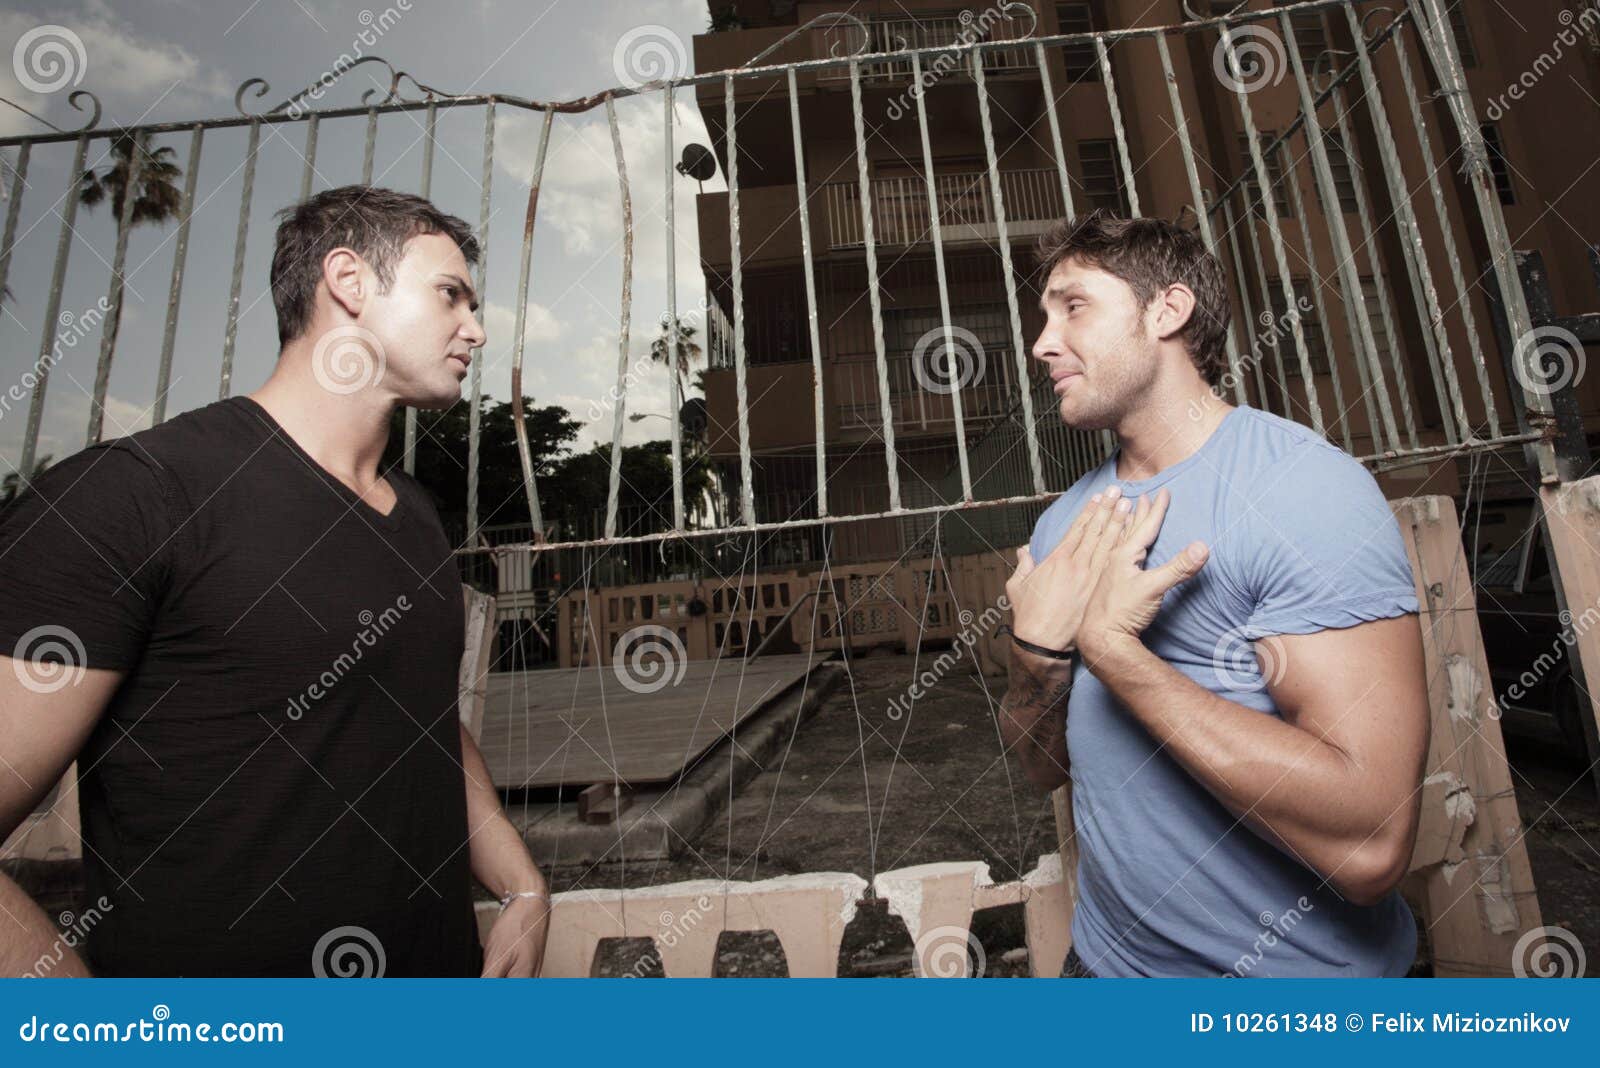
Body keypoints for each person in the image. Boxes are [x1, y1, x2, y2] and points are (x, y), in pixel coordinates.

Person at [0, 185, 550, 977]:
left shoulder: (420, 514)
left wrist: (521, 882)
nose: (477, 327)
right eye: (450, 293)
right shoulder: (136, 496)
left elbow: (421, 717)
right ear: (349, 282)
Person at [996, 210, 1430, 977]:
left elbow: (1372, 848)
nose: (1042, 342)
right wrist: (1033, 662)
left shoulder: (1304, 491)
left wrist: (1111, 651)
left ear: (1167, 309)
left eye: (1073, 306)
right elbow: (1044, 770)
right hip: (1101, 973)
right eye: (1043, 315)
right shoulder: (1068, 520)